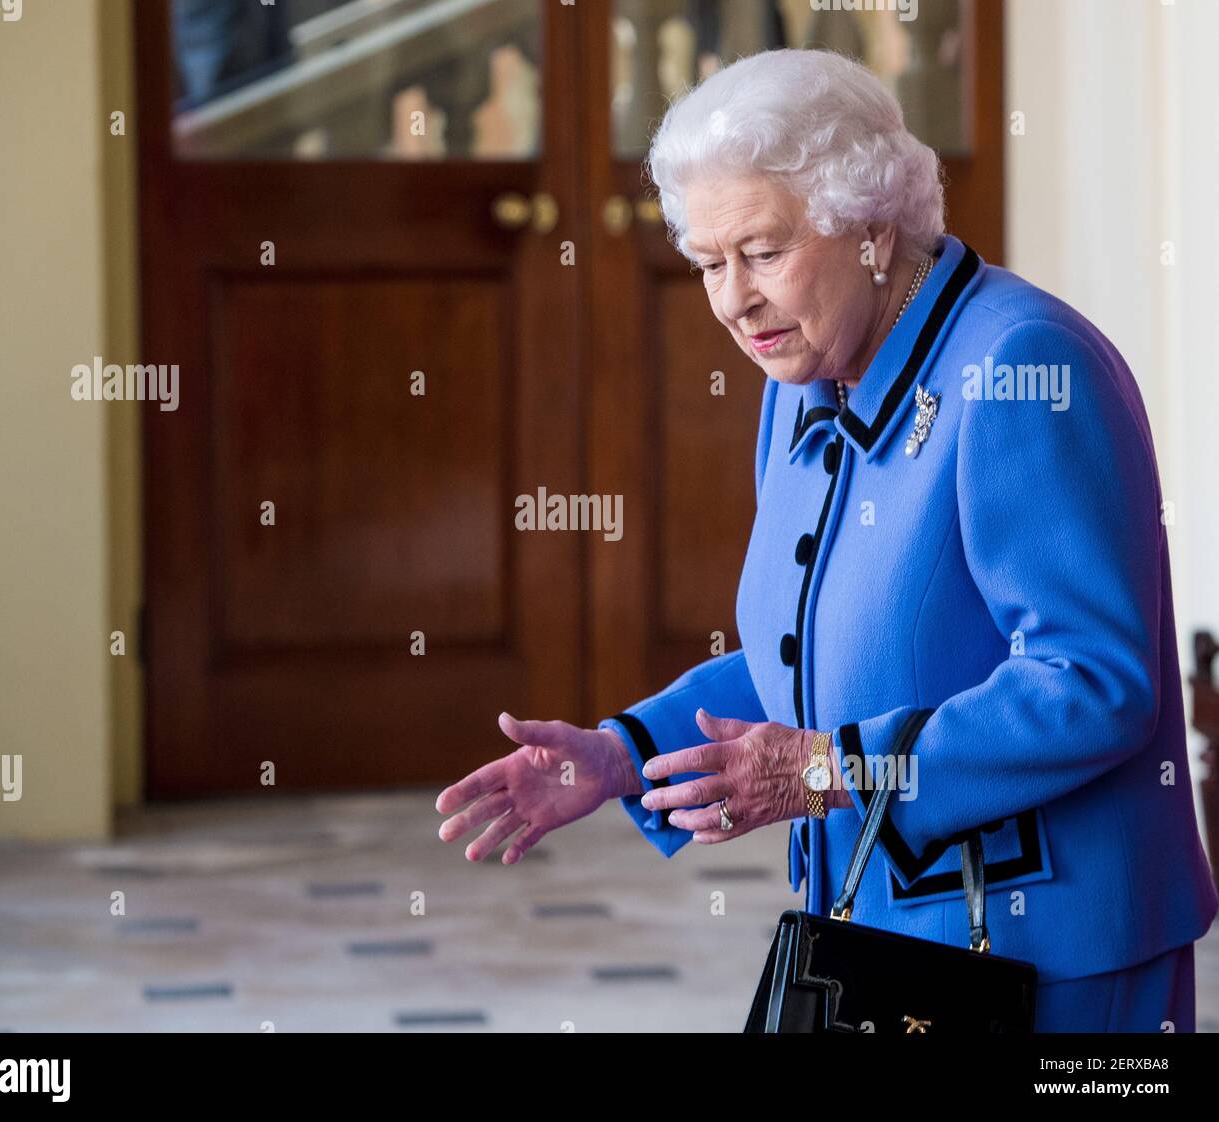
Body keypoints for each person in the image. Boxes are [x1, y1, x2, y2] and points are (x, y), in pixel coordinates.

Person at [436, 48, 1218, 1032]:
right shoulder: (801, 381)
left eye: (760, 252)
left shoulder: (1022, 368)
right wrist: (620, 753)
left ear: (871, 226)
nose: (731, 300)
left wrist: (826, 770)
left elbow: (1092, 683)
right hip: (875, 938)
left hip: (1050, 958)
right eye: (708, 263)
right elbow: (813, 669)